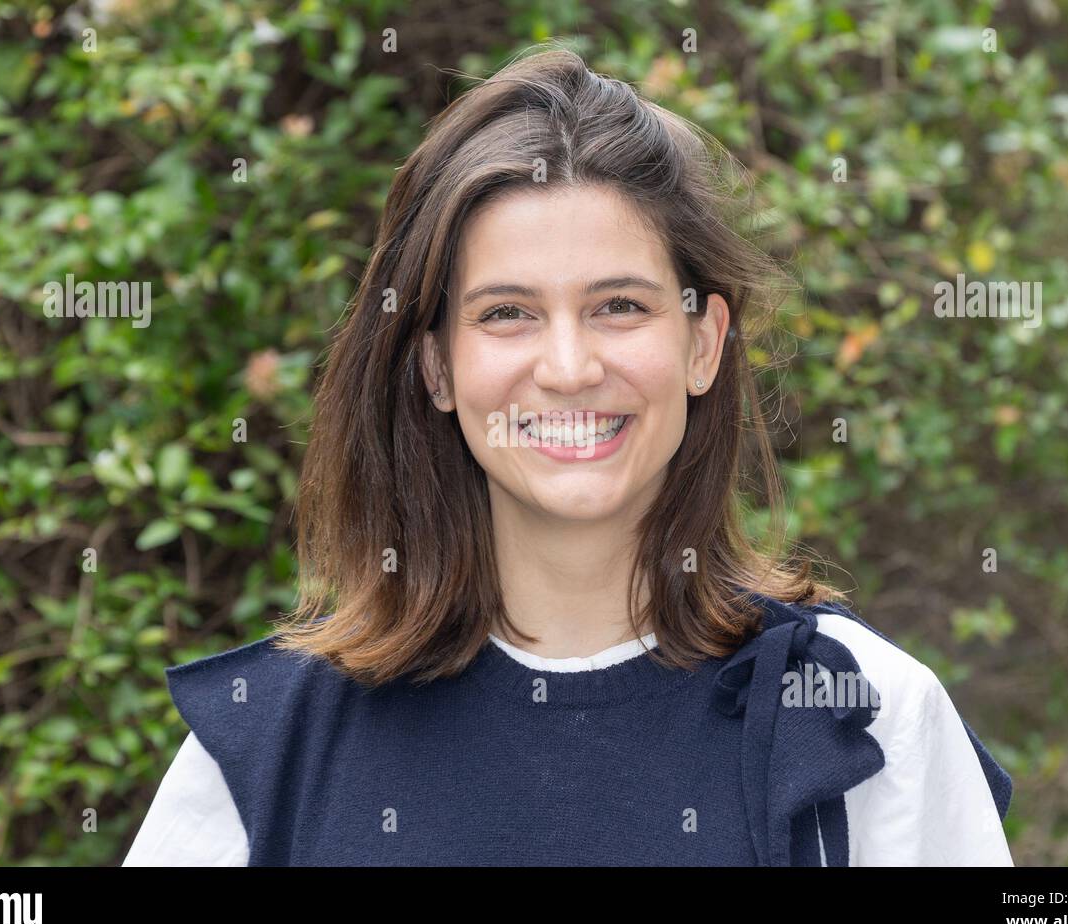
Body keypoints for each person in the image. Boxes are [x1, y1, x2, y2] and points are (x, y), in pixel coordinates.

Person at [124, 46, 1013, 867]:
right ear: (436, 365)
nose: (569, 368)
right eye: (506, 312)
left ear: (703, 344)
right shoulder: (269, 743)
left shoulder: (863, 719)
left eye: (619, 306)